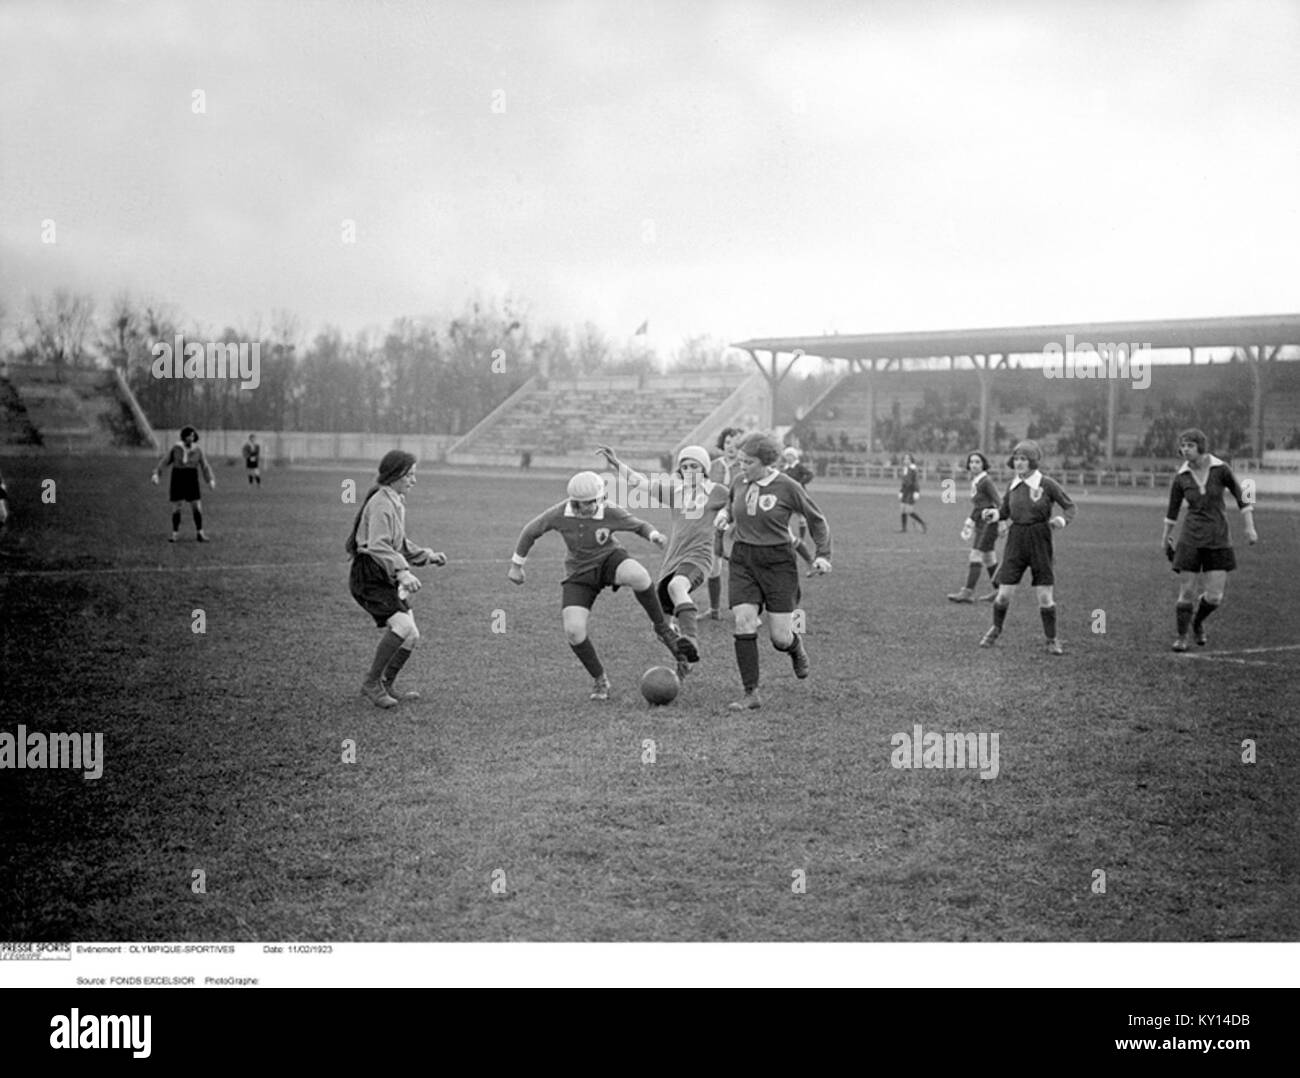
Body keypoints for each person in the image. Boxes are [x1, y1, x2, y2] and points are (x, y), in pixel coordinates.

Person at [507, 470, 694, 701]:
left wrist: (654, 535)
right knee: (574, 631)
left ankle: (663, 628)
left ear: (601, 498)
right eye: (579, 503)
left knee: (640, 576)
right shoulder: (560, 513)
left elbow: (638, 525)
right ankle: (600, 679)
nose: (585, 508)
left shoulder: (609, 510)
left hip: (609, 560)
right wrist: (517, 566)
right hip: (579, 573)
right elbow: (530, 531)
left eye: (590, 503)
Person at [714, 433, 832, 710]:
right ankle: (750, 693)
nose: (742, 466)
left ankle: (794, 647)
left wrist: (823, 555)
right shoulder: (739, 481)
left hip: (778, 562)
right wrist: (724, 516)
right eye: (740, 460)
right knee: (743, 620)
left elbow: (817, 519)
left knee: (779, 638)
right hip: (743, 558)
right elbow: (731, 506)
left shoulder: (787, 486)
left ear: (766, 462)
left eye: (749, 462)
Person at [598, 443, 730, 679]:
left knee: (677, 586)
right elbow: (640, 483)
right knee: (662, 628)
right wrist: (617, 464)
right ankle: (684, 659)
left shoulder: (716, 491)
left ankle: (691, 639)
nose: (689, 470)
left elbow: (735, 504)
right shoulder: (676, 492)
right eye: (685, 466)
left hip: (698, 558)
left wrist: (724, 516)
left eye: (694, 466)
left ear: (704, 469)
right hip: (673, 561)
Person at [346, 450, 446, 708]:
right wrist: (402, 571)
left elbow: (398, 543)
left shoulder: (394, 500)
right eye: (410, 475)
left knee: (411, 635)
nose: (414, 480)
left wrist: (427, 556)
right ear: (396, 475)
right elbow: (379, 546)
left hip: (382, 571)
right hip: (369, 575)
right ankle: (371, 683)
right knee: (403, 627)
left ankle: (386, 684)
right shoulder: (381, 503)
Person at [1162, 428, 1258, 651]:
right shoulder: (1181, 477)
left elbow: (1242, 497)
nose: (1185, 449)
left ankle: (1198, 622)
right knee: (1187, 591)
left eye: (1190, 445)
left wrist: (1250, 527)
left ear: (1200, 447)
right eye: (1183, 446)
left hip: (1218, 537)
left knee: (1215, 597)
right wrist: (1165, 538)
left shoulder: (1220, 469)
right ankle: (1181, 637)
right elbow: (1172, 511)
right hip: (1191, 538)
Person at [978, 440, 1075, 654]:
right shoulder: (1013, 485)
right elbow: (1004, 511)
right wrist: (993, 515)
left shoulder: (1047, 484)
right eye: (1016, 459)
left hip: (1040, 539)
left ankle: (1051, 639)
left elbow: (1070, 507)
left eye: (1023, 459)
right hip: (1016, 539)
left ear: (1032, 461)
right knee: (1003, 595)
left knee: (1044, 596)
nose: (1019, 463)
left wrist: (1062, 521)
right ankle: (996, 628)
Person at [948, 451, 1003, 603]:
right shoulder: (977, 481)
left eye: (977, 462)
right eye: (971, 462)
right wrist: (970, 521)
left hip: (989, 523)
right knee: (989, 557)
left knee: (975, 555)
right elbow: (979, 506)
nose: (974, 465)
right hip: (981, 522)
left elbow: (999, 502)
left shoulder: (986, 481)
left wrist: (1002, 522)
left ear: (983, 464)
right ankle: (999, 591)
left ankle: (967, 592)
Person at [704, 427, 745, 618]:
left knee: (743, 569)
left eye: (736, 444)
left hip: (739, 524)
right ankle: (714, 610)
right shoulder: (712, 466)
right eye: (728, 442)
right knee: (714, 566)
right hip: (714, 522)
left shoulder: (746, 467)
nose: (731, 447)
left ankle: (749, 611)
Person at [151, 425, 215, 542]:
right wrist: (156, 474)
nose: (191, 438)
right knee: (177, 506)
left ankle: (200, 533)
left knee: (196, 506)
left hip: (191, 478)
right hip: (178, 477)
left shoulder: (197, 450)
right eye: (189, 436)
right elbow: (164, 462)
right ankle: (175, 534)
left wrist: (210, 480)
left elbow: (205, 466)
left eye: (193, 436)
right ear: (184, 437)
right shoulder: (176, 448)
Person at [780, 446, 816, 566]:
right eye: (787, 455)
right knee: (785, 518)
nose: (788, 457)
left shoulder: (798, 466)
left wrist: (801, 483)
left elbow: (810, 474)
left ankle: (801, 538)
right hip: (786, 496)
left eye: (791, 455)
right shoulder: (785, 468)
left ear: (794, 456)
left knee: (801, 517)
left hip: (798, 495)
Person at [897, 453, 926, 532]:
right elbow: (904, 482)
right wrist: (901, 491)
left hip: (911, 490)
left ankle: (922, 523)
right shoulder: (904, 469)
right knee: (902, 509)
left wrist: (916, 492)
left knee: (909, 511)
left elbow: (916, 481)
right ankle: (904, 528)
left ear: (911, 460)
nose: (906, 460)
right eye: (905, 459)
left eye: (908, 459)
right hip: (905, 490)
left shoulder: (913, 469)